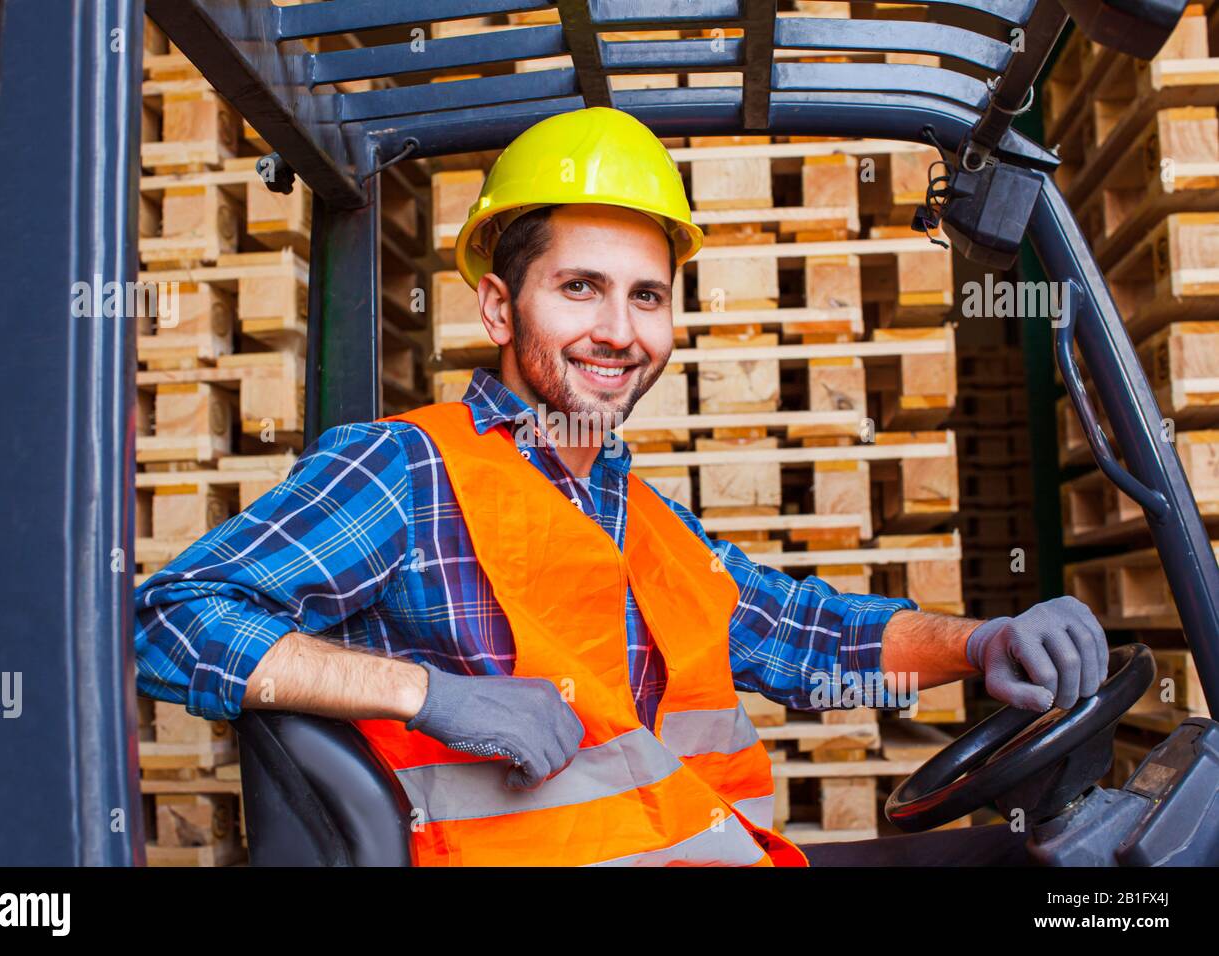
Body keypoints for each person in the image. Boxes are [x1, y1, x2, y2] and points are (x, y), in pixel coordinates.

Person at [134, 106, 1109, 866]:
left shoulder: (631, 512)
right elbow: (171, 618)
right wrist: (426, 694)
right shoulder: (403, 469)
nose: (619, 329)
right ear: (496, 303)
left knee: (1025, 858)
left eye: (645, 295)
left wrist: (980, 645)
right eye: (579, 287)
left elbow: (800, 633)